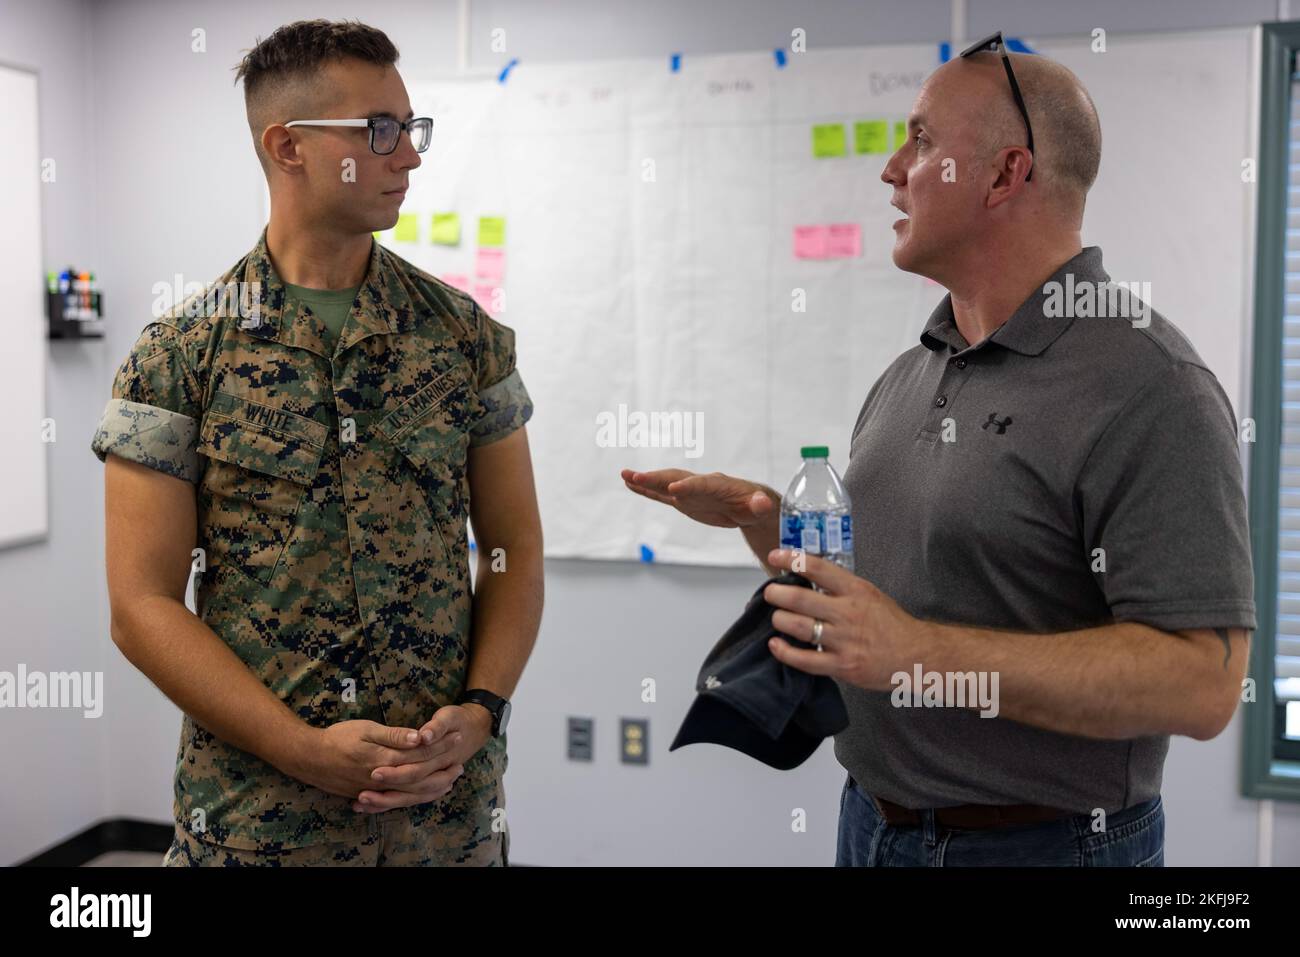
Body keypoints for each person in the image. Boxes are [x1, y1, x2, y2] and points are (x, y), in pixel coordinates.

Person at [624, 41, 1255, 866]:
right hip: (870, 825)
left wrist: (918, 655)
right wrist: (774, 523)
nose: (891, 170)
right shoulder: (909, 373)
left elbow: (1203, 682)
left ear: (1003, 175)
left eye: (921, 141)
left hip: (1045, 847)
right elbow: (921, 587)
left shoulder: (1150, 385)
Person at [91, 19, 543, 866]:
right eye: (380, 131)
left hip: (444, 822)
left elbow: (514, 546)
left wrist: (483, 708)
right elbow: (142, 606)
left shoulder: (463, 336)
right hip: (259, 824)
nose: (409, 156)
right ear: (288, 146)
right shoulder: (180, 355)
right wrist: (299, 748)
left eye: (410, 128)